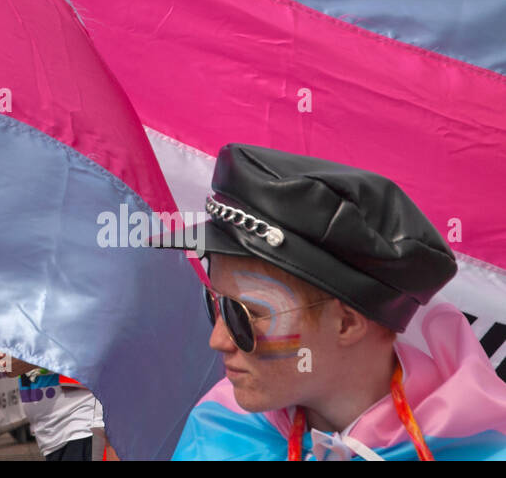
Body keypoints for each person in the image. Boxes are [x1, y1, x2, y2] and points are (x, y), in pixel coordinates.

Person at [169, 143, 506, 460]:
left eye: (244, 314)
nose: (218, 340)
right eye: (215, 303)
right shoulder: (221, 429)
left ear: (346, 323)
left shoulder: (477, 448)